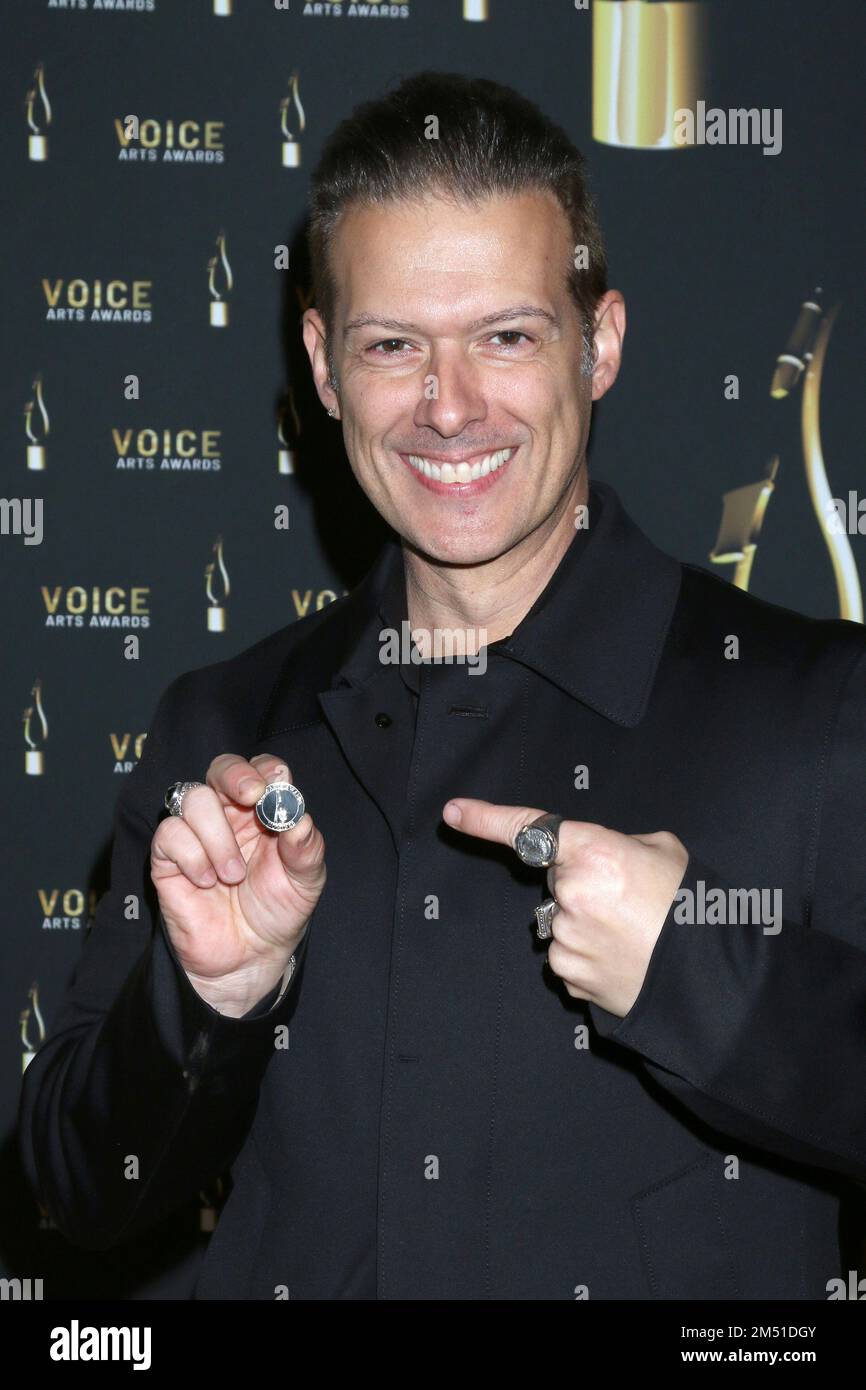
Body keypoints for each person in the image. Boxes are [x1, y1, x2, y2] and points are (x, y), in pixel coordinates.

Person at [19, 71, 866, 1301]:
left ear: (602, 342)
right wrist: (209, 999)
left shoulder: (817, 712)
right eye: (392, 345)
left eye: (507, 336)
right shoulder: (222, 731)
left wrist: (701, 977)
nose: (448, 405)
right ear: (321, 363)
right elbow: (80, 1189)